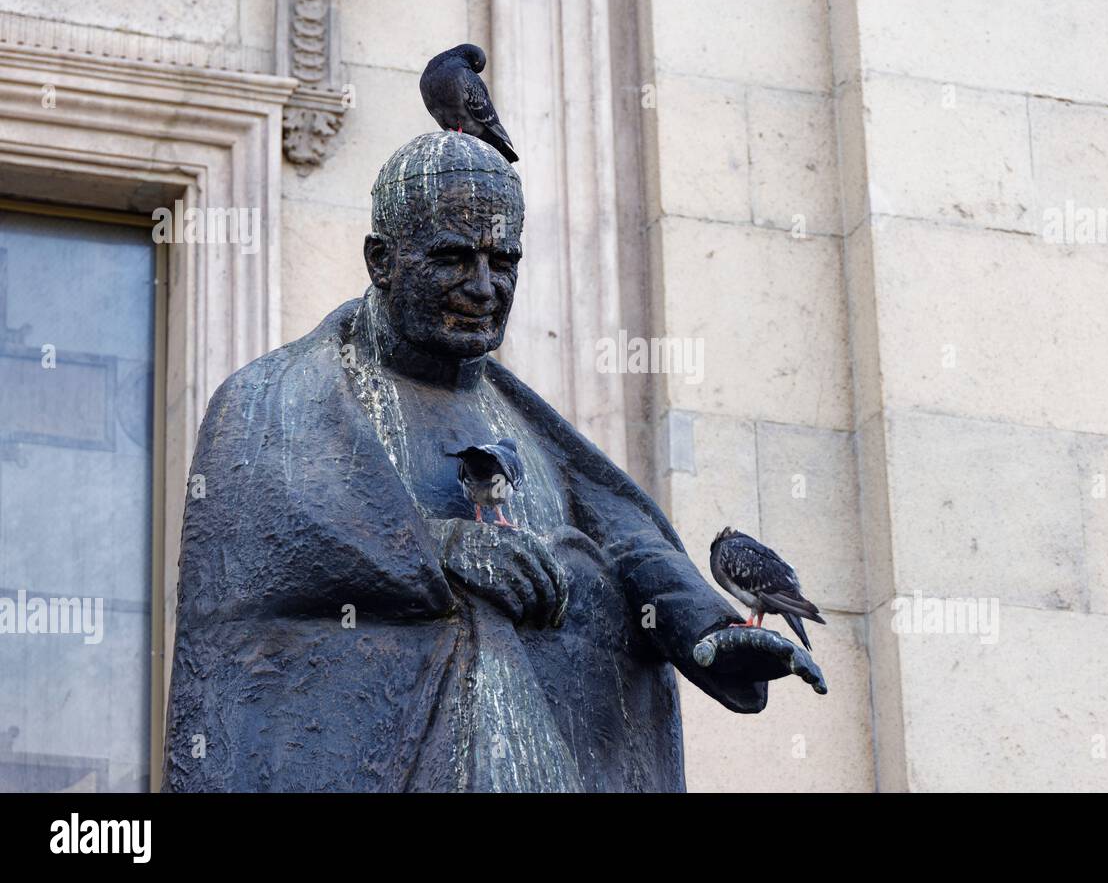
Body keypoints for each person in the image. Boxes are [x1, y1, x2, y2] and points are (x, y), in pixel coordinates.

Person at [163, 132, 823, 792]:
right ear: (381, 260)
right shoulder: (275, 400)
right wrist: (437, 547)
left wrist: (705, 629)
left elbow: (625, 538)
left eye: (502, 261)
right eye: (453, 258)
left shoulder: (523, 419)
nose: (484, 286)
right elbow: (248, 561)